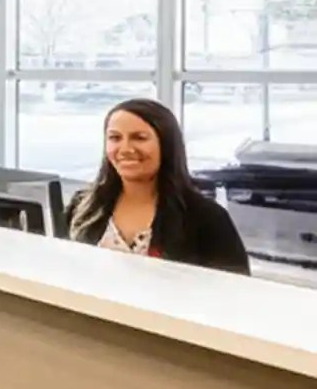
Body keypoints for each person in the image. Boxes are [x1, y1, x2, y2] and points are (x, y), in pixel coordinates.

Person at [65, 98, 250, 275]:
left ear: (166, 144)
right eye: (115, 138)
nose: (125, 148)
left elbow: (235, 293)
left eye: (139, 138)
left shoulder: (206, 217)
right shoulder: (84, 206)